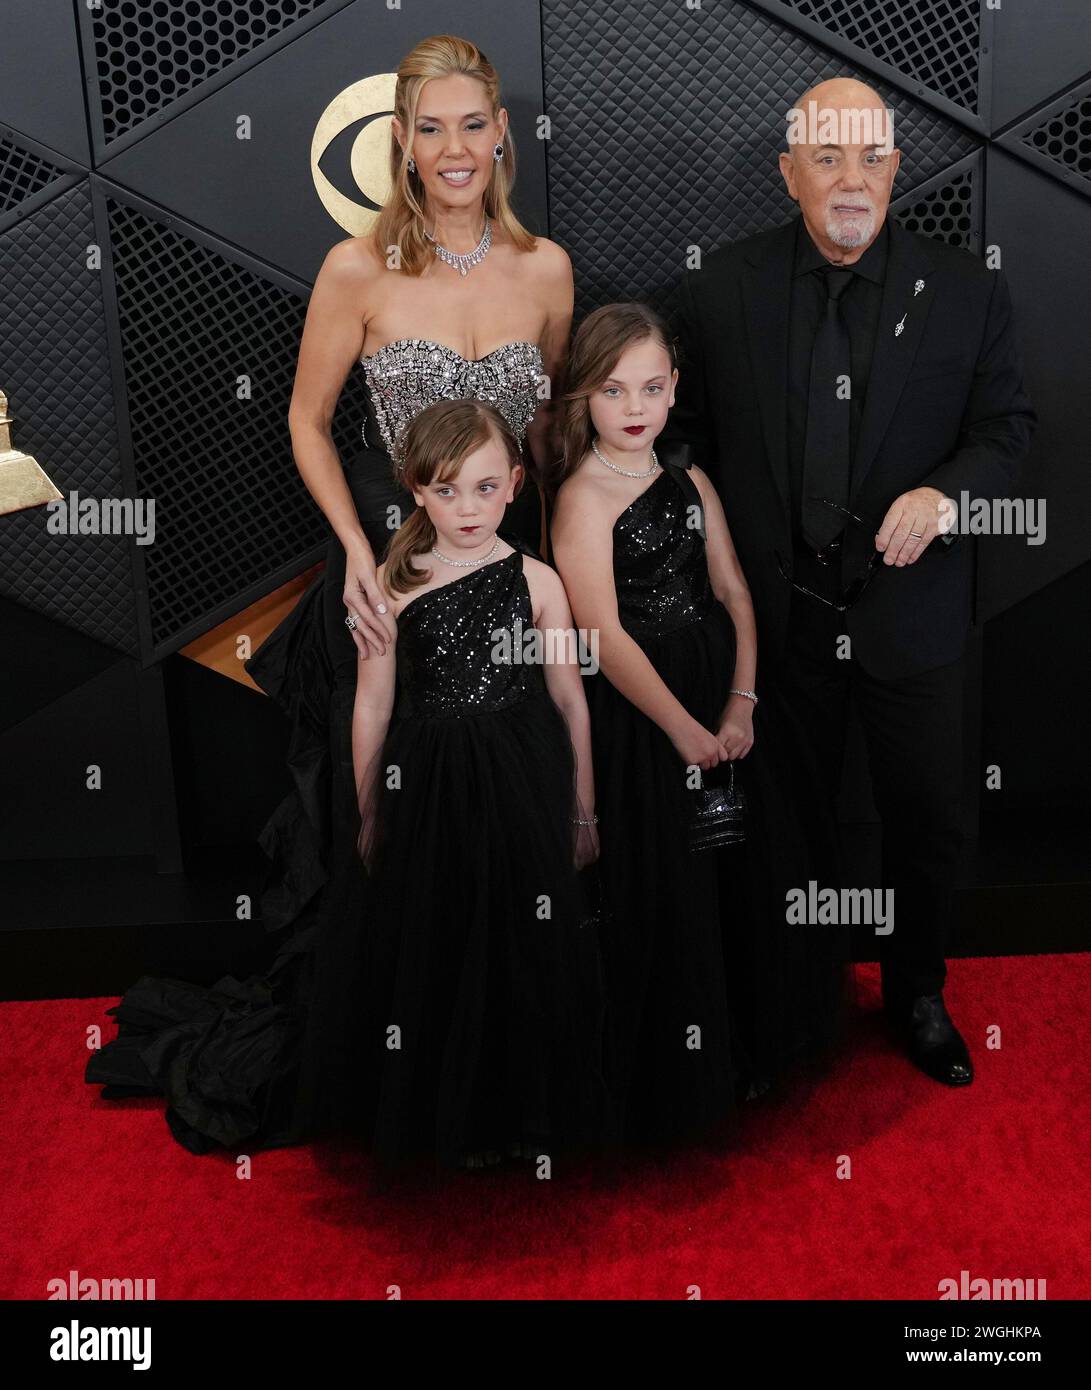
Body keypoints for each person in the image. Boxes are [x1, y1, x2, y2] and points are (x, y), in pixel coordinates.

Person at [658, 77, 1037, 1085]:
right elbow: (678, 439)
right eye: (826, 156)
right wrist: (716, 550)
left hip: (910, 618)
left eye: (869, 156)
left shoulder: (966, 291)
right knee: (787, 824)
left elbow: (1007, 431)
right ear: (788, 173)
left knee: (923, 819)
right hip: (775, 623)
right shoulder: (718, 290)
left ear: (895, 169)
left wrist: (947, 496)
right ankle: (796, 997)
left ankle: (915, 990)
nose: (851, 178)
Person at [246, 33, 574, 939]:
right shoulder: (357, 268)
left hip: (508, 576)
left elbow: (544, 434)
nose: (456, 150)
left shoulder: (545, 269)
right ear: (401, 139)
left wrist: (568, 553)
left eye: (473, 125)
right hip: (391, 572)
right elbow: (305, 422)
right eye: (432, 129)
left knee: (508, 797)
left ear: (503, 132)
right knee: (396, 811)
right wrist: (356, 551)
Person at [549, 303, 849, 1151]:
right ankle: (686, 1065)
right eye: (613, 390)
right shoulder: (579, 501)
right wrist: (685, 729)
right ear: (585, 398)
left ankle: (751, 1040)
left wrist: (742, 701)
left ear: (675, 389)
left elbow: (735, 594)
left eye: (650, 386)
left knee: (742, 876)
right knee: (673, 886)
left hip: (725, 699)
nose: (635, 405)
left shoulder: (692, 481)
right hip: (648, 718)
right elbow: (601, 639)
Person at [296, 398, 608, 1179]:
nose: (464, 509)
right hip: (429, 787)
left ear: (512, 485)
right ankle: (457, 1115)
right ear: (413, 491)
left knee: (522, 947)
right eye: (443, 490)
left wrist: (583, 809)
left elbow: (568, 696)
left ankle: (524, 1110)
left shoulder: (538, 580)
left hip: (522, 776)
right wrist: (371, 807)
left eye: (481, 487)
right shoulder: (392, 587)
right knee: (442, 947)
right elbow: (371, 703)